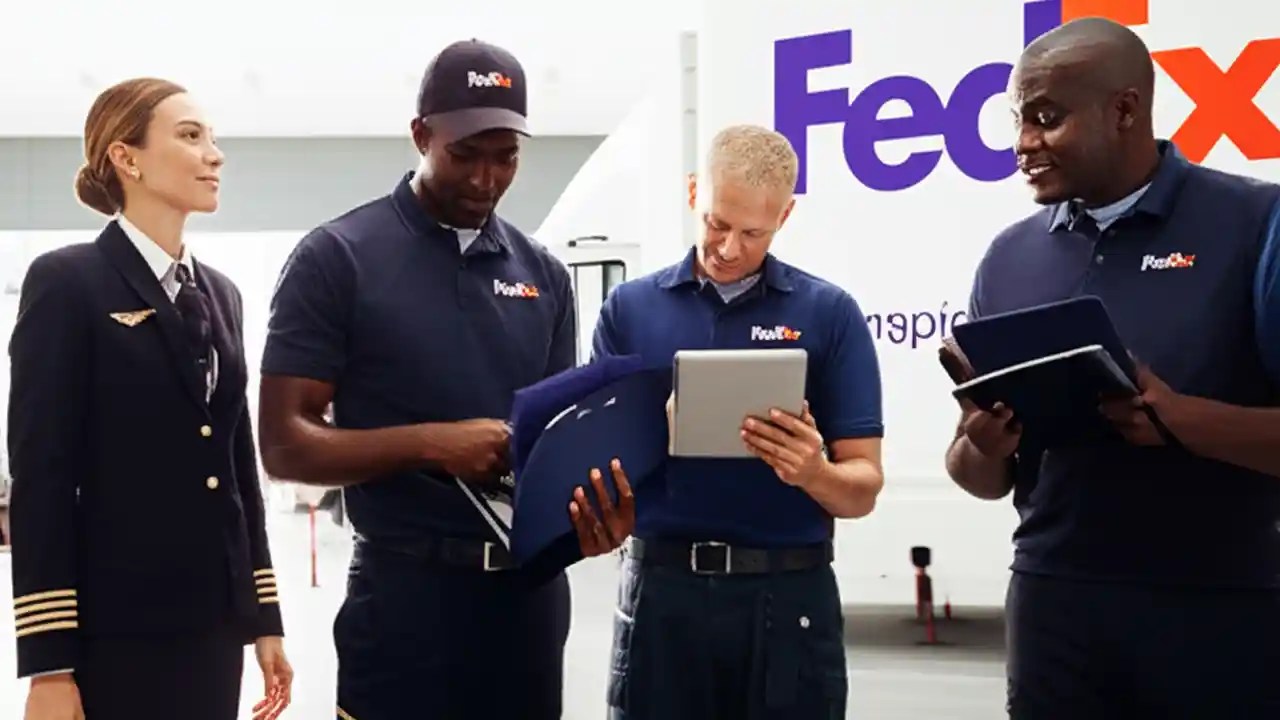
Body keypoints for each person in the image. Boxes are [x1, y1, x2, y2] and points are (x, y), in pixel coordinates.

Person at [257, 39, 631, 720]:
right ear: (422, 135)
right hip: (404, 601)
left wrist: (589, 524)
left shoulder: (543, 276)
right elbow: (284, 446)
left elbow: (548, 452)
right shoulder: (336, 258)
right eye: (465, 154)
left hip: (528, 607)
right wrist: (432, 443)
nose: (486, 179)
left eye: (506, 157)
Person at [942, 17, 1280, 719]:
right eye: (1019, 120)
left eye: (1046, 118)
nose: (1023, 144)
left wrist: (1183, 421)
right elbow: (978, 476)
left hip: (1222, 610)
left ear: (1124, 110)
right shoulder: (1008, 257)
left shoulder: (1254, 224)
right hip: (1052, 606)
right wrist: (981, 442)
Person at [7, 78, 293, 720]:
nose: (214, 154)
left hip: (214, 628)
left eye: (213, 139)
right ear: (126, 157)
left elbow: (237, 467)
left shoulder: (222, 294)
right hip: (115, 633)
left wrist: (264, 618)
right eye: (191, 136)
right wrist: (49, 666)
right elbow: (42, 478)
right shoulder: (67, 281)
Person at [592, 124, 886, 719]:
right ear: (695, 191)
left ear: (786, 215)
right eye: (716, 223)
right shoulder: (629, 311)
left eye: (753, 232)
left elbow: (862, 490)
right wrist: (651, 439)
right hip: (661, 593)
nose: (728, 248)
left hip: (787, 598)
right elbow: (594, 467)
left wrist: (812, 471)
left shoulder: (829, 315)